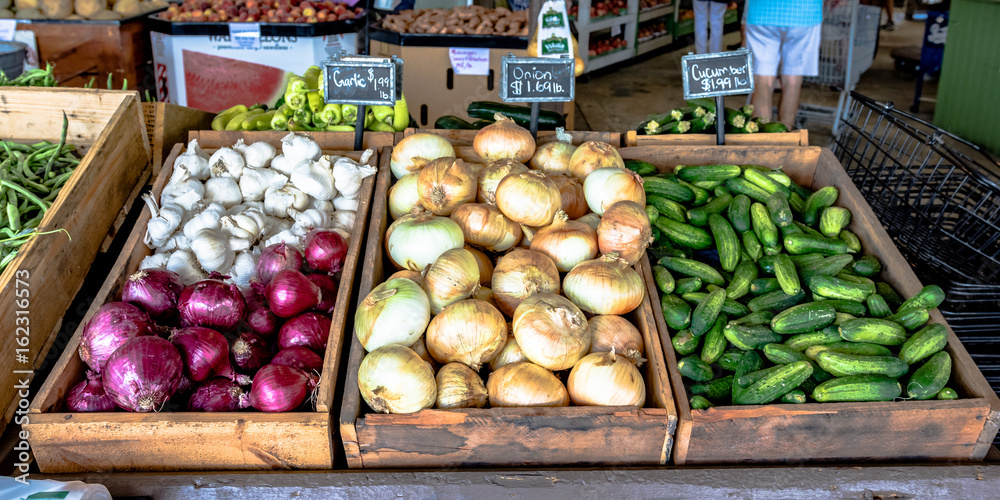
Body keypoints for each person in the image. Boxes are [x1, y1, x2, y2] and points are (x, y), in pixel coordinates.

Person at [745, 0, 823, 129]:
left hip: (762, 12)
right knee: (793, 80)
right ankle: (784, 137)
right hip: (805, 12)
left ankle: (761, 140)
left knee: (762, 80)